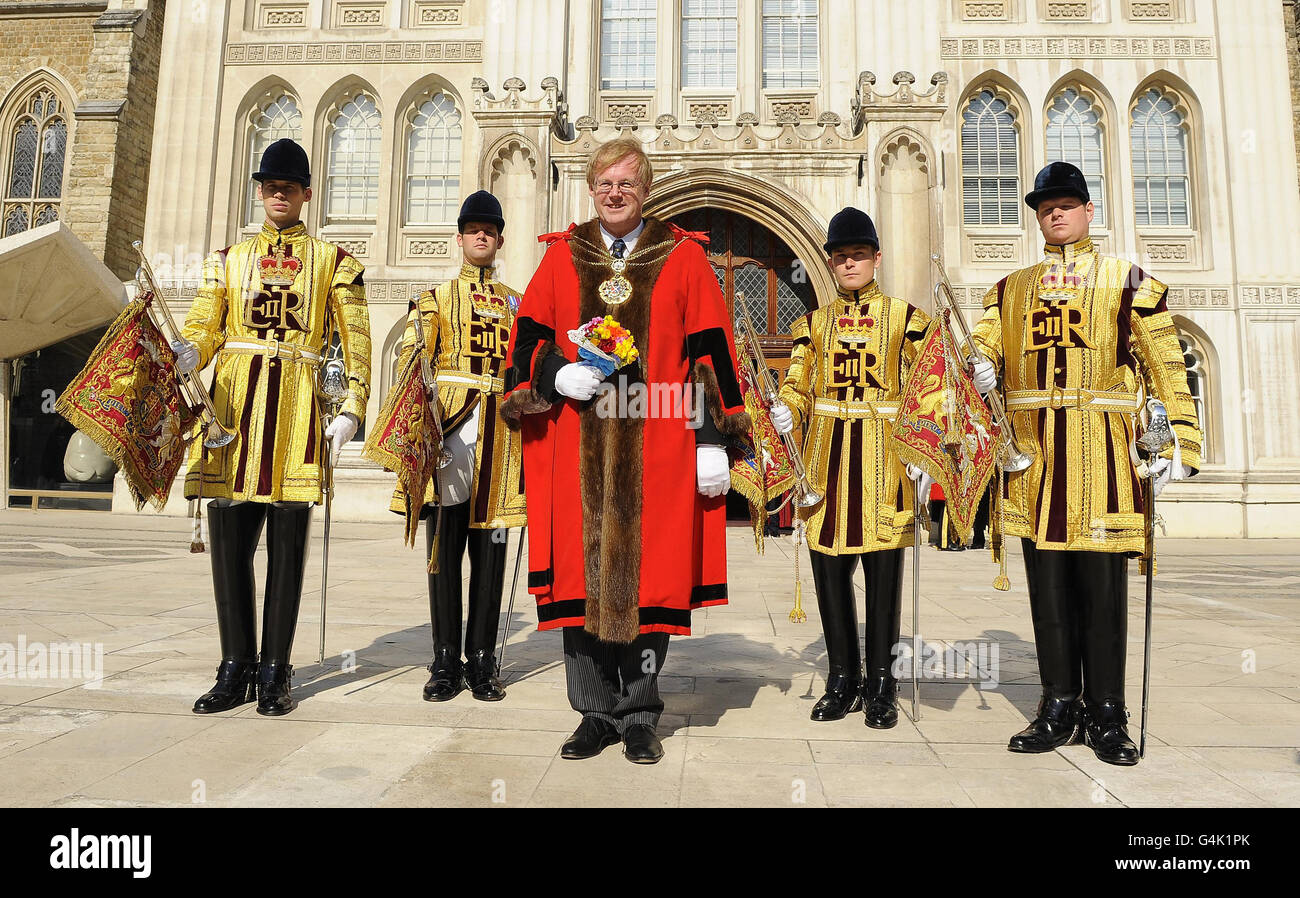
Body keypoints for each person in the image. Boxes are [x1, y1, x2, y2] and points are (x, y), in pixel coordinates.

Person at [500, 137, 749, 764]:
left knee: (648, 579)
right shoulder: (564, 257)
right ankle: (594, 712)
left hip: (657, 439)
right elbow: (526, 336)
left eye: (628, 185)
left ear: (646, 190)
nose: (616, 194)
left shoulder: (682, 257)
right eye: (606, 184)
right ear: (592, 188)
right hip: (574, 443)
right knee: (580, 582)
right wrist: (554, 372)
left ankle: (639, 711)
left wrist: (713, 439)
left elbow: (710, 352)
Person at [969, 161, 1201, 765]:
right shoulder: (1009, 290)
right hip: (1034, 462)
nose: (1056, 212)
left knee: (1100, 594)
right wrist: (978, 368)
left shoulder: (1125, 281)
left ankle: (1107, 712)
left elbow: (1165, 362)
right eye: (1046, 206)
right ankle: (1057, 704)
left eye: (1067, 203)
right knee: (1047, 593)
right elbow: (978, 361)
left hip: (1102, 455)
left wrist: (1178, 437)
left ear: (1088, 210)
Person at [174, 138, 371, 717]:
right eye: (269, 185)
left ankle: (275, 667)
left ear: (307, 193)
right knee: (229, 543)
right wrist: (190, 349)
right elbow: (207, 323)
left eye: (288, 185)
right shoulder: (228, 260)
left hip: (297, 409)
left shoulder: (334, 262)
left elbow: (355, 341)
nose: (278, 193)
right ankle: (234, 663)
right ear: (260, 192)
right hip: (232, 408)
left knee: (287, 546)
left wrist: (352, 409)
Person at [767, 207, 931, 728]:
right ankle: (843, 677)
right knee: (830, 575)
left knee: (884, 578)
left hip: (885, 460)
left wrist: (927, 450)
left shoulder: (907, 320)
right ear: (831, 263)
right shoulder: (811, 325)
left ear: (876, 258)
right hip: (827, 463)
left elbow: (929, 388)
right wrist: (788, 406)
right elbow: (798, 379)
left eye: (858, 255)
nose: (849, 264)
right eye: (840, 257)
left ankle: (882, 681)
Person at [392, 190, 526, 702]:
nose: (482, 236)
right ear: (461, 238)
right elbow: (412, 357)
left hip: (501, 436)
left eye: (489, 230)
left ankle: (484, 661)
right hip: (451, 431)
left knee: (491, 552)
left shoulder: (518, 302)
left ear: (498, 240)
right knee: (444, 553)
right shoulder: (436, 297)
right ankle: (445, 659)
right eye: (474, 230)